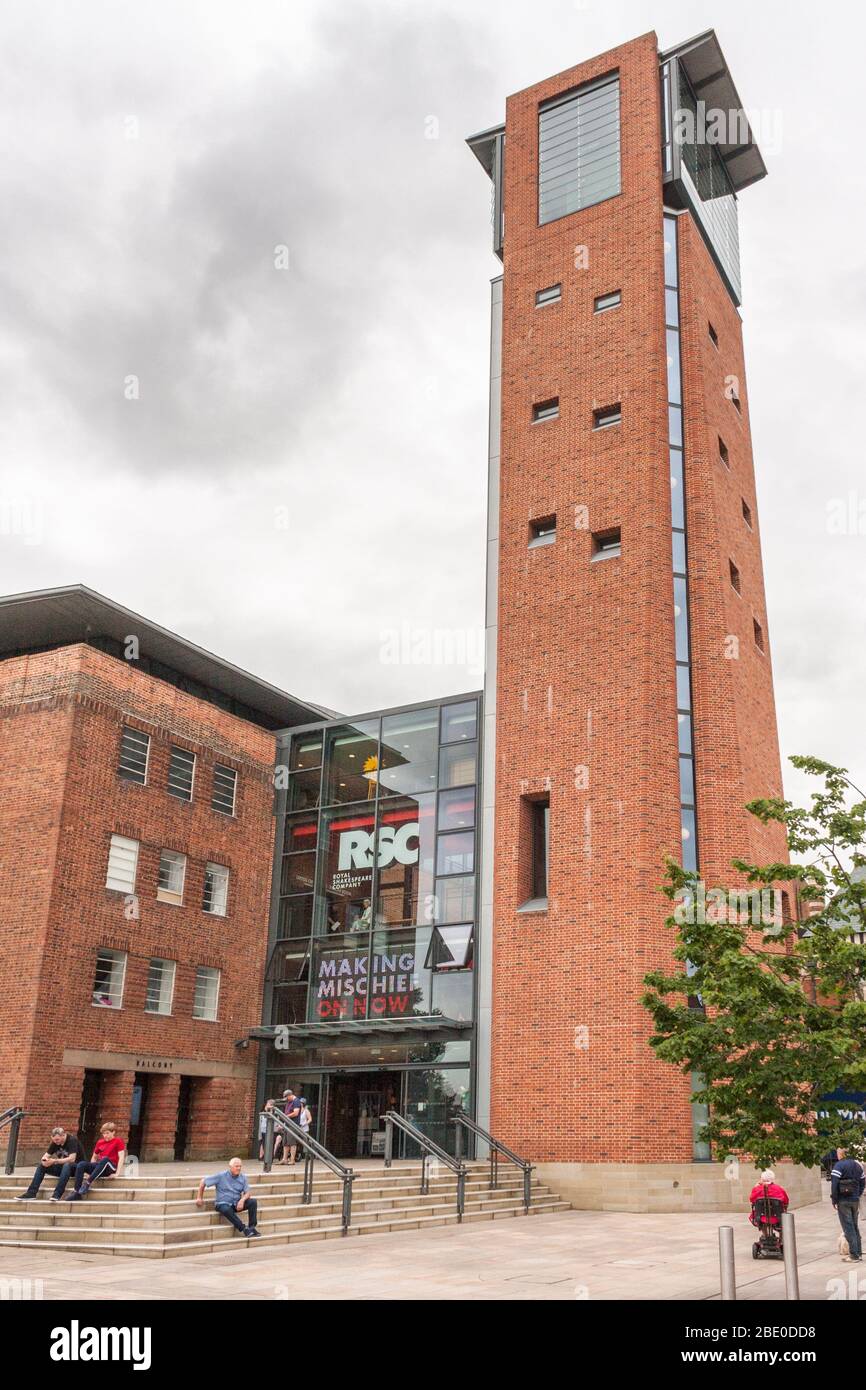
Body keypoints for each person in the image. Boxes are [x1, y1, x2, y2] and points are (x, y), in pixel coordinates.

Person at [16, 1126, 85, 1202]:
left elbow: (72, 1159)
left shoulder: (72, 1140)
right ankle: (31, 1193)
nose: (56, 1142)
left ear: (63, 1135)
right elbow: (45, 1156)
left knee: (67, 1165)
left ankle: (57, 1194)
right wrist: (45, 1161)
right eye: (54, 1140)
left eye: (57, 1139)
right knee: (41, 1166)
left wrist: (54, 1161)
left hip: (76, 1169)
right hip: (64, 1170)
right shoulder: (55, 1142)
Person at [197, 1158, 260, 1237]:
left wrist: (242, 1200)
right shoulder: (221, 1176)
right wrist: (199, 1197)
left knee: (253, 1202)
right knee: (226, 1208)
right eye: (236, 1166)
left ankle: (252, 1228)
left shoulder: (243, 1177)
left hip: (236, 1204)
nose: (239, 1168)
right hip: (222, 1204)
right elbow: (203, 1182)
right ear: (230, 1167)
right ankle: (244, 1229)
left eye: (240, 1166)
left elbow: (247, 1192)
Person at [64, 1122, 126, 1200]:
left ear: (113, 1132)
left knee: (105, 1159)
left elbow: (121, 1157)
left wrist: (117, 1173)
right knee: (81, 1164)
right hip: (100, 1167)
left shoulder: (118, 1141)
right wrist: (91, 1171)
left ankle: (87, 1183)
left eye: (107, 1133)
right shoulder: (100, 1142)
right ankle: (77, 1193)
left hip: (111, 1167)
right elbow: (94, 1157)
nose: (105, 1135)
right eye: (104, 1133)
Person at [831, 1146, 865, 1262]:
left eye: (837, 1153)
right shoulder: (857, 1165)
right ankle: (858, 1253)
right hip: (855, 1199)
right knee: (854, 1226)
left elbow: (834, 1184)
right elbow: (862, 1181)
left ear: (841, 1154)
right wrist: (858, 1194)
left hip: (843, 1200)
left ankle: (854, 1255)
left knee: (848, 1227)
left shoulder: (839, 1166)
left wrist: (834, 1199)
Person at [281, 1089, 303, 1164]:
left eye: (287, 1097)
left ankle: (292, 1159)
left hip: (293, 1124)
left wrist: (286, 1116)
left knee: (292, 1142)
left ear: (290, 1095)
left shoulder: (296, 1101)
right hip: (287, 1124)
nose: (286, 1099)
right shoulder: (288, 1102)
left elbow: (296, 1113)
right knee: (285, 1142)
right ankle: (284, 1159)